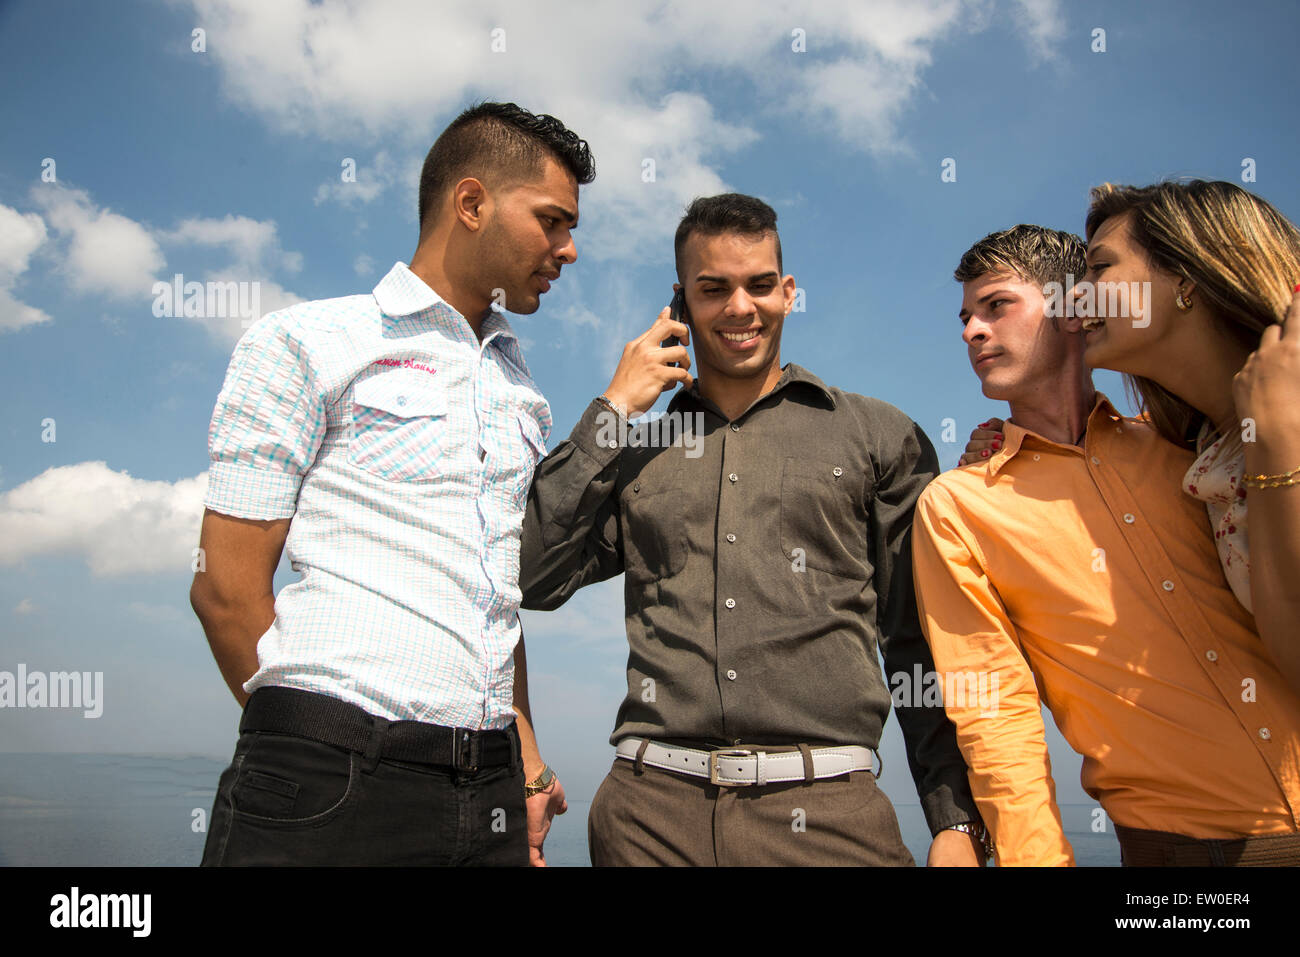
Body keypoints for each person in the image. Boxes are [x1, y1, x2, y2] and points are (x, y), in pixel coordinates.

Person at [519, 193, 986, 866]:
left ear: (788, 292)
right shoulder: (632, 453)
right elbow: (530, 577)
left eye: (760, 285)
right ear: (681, 303)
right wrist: (613, 409)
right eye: (714, 289)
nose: (741, 307)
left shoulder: (878, 436)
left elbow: (918, 639)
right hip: (645, 822)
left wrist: (954, 819)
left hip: (830, 820)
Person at [190, 102, 593, 866]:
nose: (568, 250)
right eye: (553, 221)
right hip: (328, 787)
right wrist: (311, 745)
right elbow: (224, 589)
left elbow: (493, 594)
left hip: (490, 787)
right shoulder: (306, 339)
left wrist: (528, 766)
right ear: (471, 203)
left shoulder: (519, 386)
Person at [914, 224, 1300, 866]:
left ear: (1072, 306)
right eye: (965, 317)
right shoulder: (958, 506)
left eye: (997, 305)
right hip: (1186, 860)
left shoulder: (1196, 445)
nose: (970, 332)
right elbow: (994, 714)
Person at [963, 182, 1300, 692]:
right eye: (966, 316)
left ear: (1185, 277)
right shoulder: (1203, 453)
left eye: (1099, 268)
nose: (1076, 294)